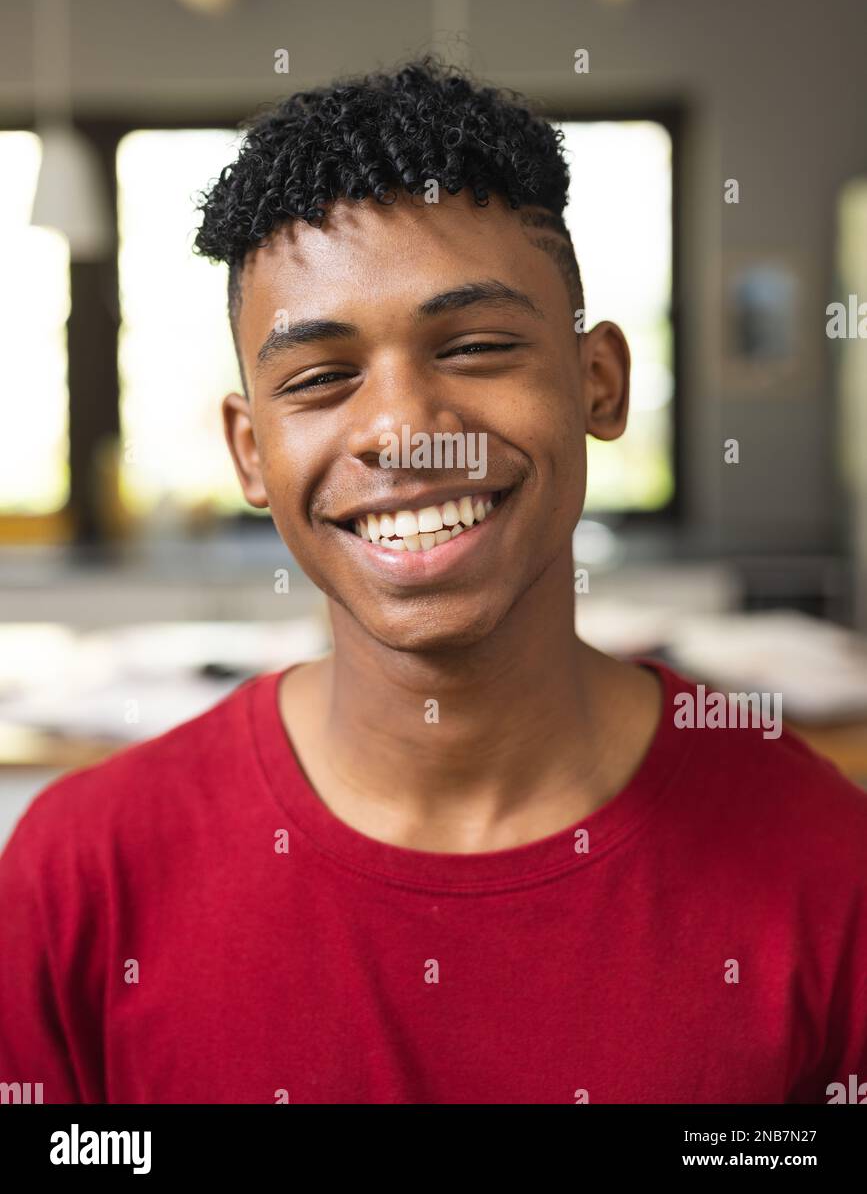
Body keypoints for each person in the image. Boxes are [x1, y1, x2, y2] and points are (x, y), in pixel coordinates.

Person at [1, 57, 865, 1105]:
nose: (407, 432)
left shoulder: (832, 867)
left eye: (478, 346)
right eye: (320, 377)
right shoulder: (78, 876)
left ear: (600, 382)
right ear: (249, 452)